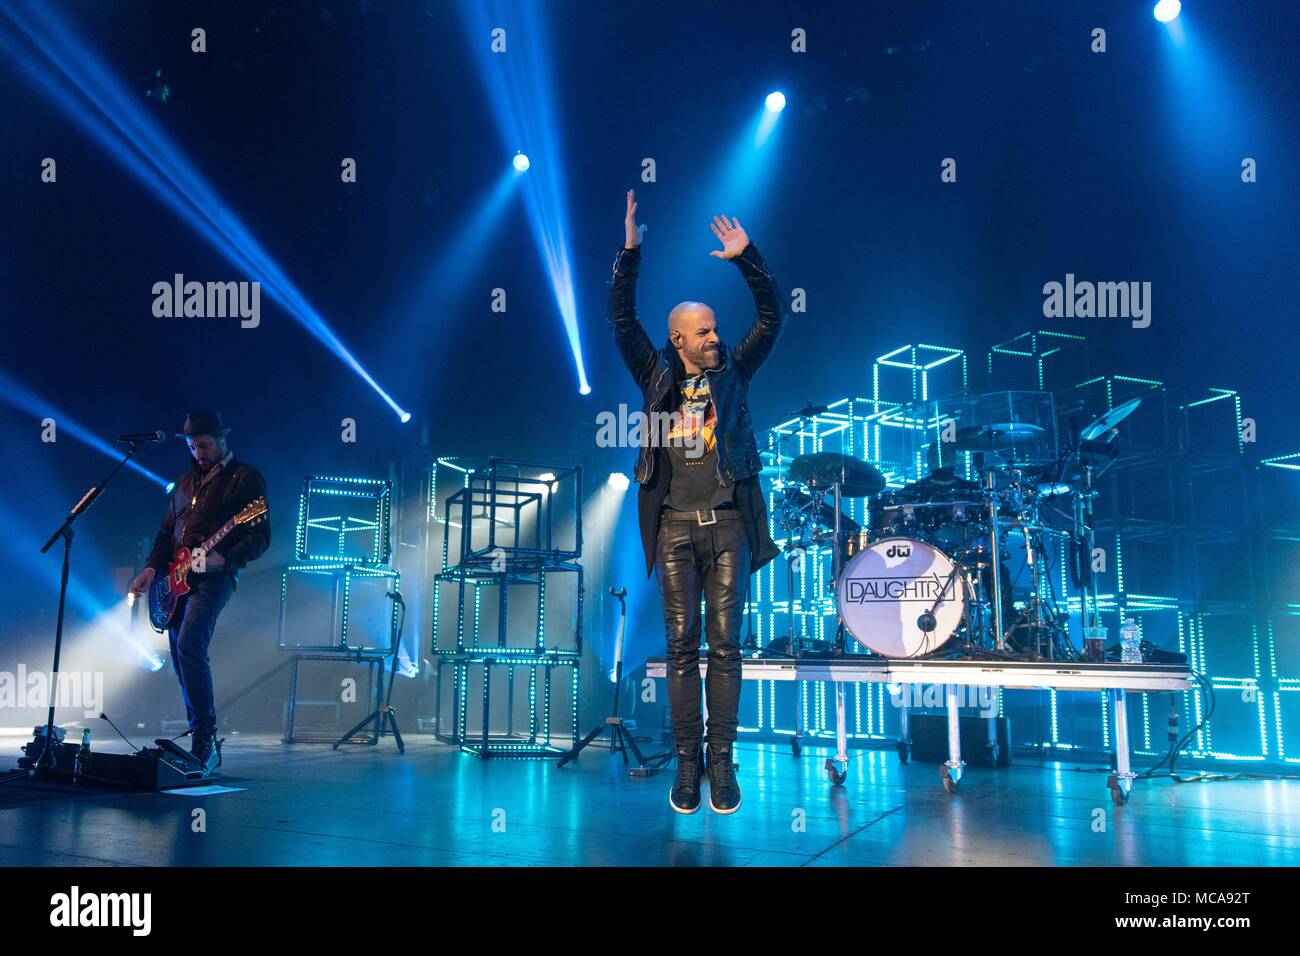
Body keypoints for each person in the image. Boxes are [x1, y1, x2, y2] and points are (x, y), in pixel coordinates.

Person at [607, 189, 786, 814]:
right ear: (678, 340)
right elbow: (622, 321)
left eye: (716, 329)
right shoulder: (655, 375)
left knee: (725, 647)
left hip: (729, 524)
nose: (715, 338)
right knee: (682, 649)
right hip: (676, 530)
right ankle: (687, 770)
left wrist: (747, 258)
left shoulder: (734, 373)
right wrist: (630, 252)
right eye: (703, 331)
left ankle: (722, 766)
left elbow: (772, 318)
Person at [128, 411, 270, 772]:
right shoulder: (184, 484)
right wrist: (150, 568)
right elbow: (166, 534)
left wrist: (227, 558)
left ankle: (205, 739)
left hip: (216, 577)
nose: (198, 453)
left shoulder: (244, 478)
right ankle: (201, 736)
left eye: (203, 445)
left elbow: (260, 536)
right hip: (177, 580)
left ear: (221, 440)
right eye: (192, 447)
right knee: (179, 652)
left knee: (190, 643)